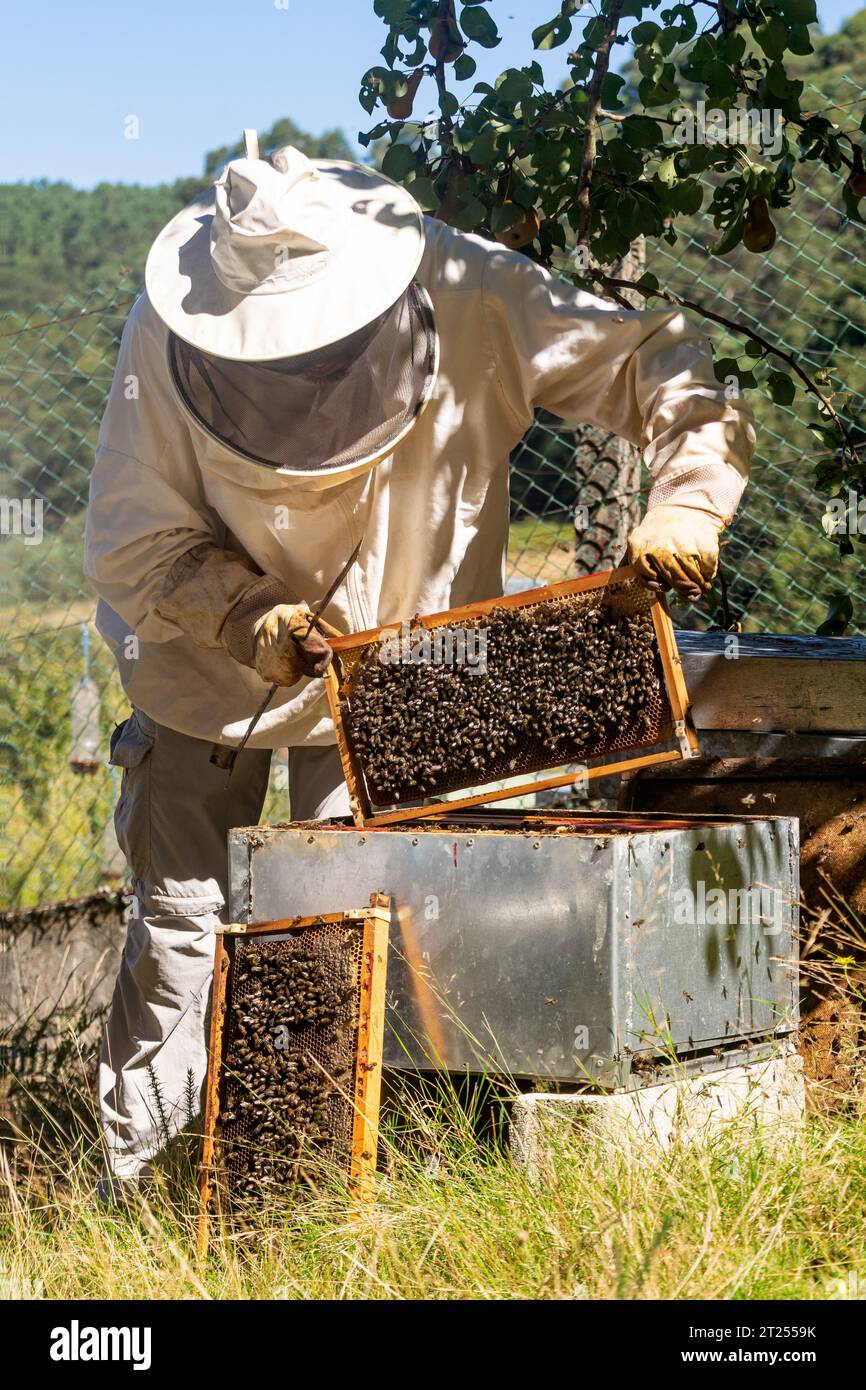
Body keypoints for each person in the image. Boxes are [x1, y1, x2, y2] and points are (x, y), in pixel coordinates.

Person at [85, 132, 755, 1182]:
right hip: (203, 673)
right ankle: (136, 1191)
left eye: (317, 351)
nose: (302, 381)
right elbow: (133, 536)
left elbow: (650, 357)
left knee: (342, 931)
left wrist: (687, 497)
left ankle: (308, 1191)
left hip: (406, 672)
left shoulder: (469, 285)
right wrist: (244, 610)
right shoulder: (172, 332)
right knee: (181, 926)